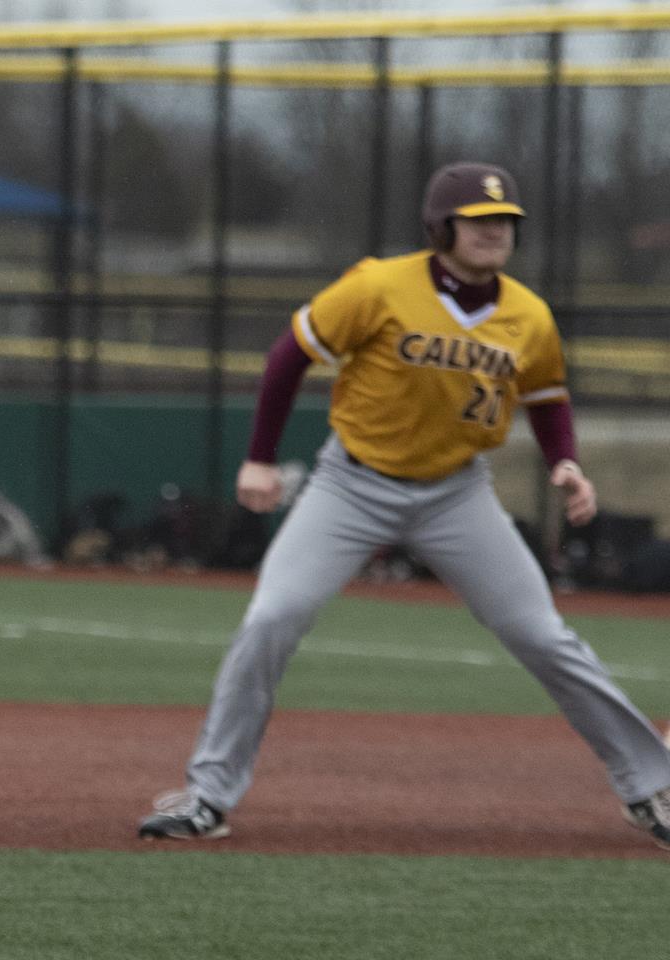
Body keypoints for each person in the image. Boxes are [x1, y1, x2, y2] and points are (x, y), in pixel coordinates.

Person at [137, 161, 670, 849]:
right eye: (478, 220)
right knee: (273, 615)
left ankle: (649, 784)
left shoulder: (527, 314)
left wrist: (565, 460)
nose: (494, 231)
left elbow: (546, 399)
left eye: (504, 221)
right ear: (441, 225)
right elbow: (288, 356)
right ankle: (208, 794)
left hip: (457, 492)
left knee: (543, 635)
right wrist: (260, 456)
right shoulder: (379, 285)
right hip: (350, 484)